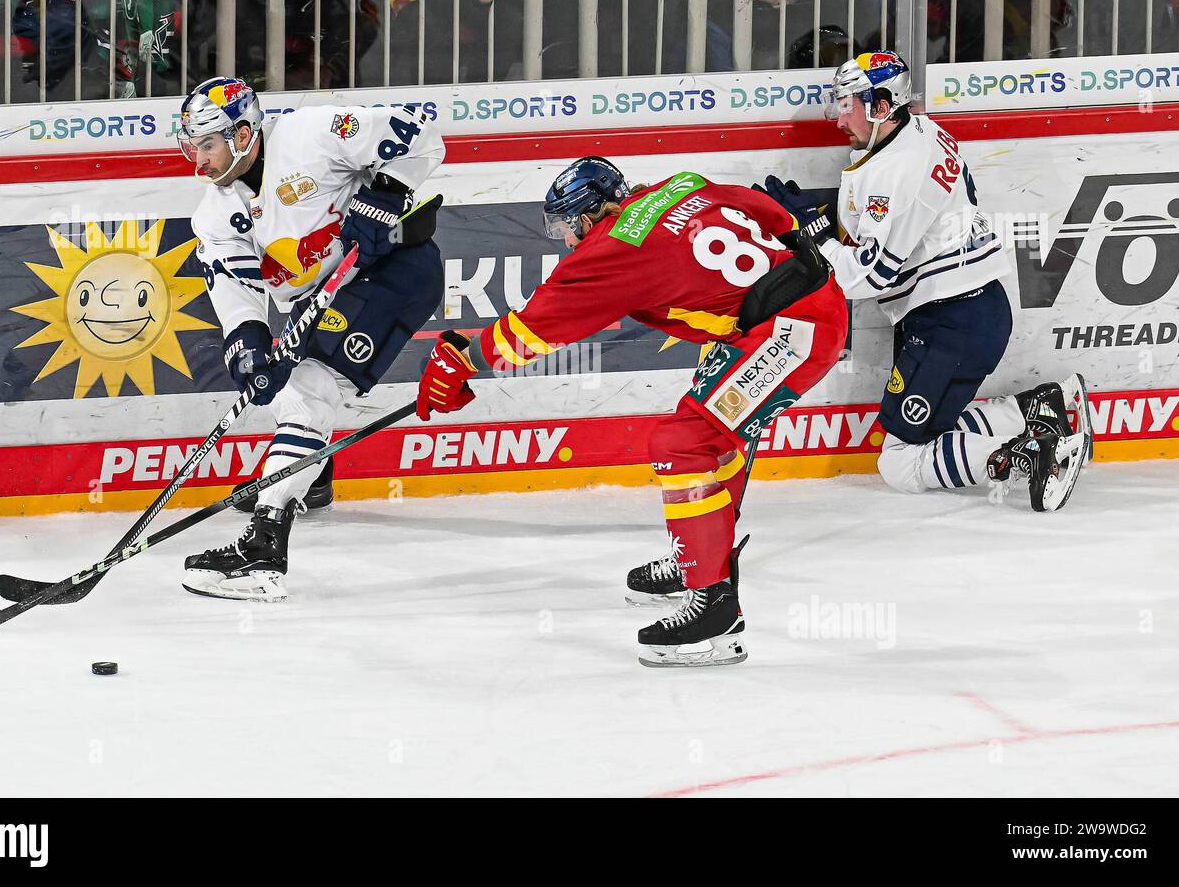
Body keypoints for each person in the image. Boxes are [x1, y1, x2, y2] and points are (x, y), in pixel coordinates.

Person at [414, 157, 848, 667]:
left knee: (685, 443)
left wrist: (461, 360)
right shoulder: (677, 186)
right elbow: (770, 212)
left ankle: (716, 613)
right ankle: (698, 559)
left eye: (567, 226)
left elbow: (528, 334)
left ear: (590, 214)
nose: (567, 240)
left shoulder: (611, 250)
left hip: (794, 332)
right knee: (710, 435)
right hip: (794, 310)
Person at [761, 51, 1092, 513]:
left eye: (847, 103)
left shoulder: (897, 172)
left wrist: (807, 239)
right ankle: (1038, 407)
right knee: (930, 429)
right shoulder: (920, 131)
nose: (837, 116)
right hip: (970, 310)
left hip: (948, 323)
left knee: (900, 462)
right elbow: (890, 222)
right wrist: (821, 217)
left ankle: (1033, 454)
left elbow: (870, 275)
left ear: (880, 106)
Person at [178, 76, 445, 601]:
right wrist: (249, 344)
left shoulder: (312, 133)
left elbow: (421, 137)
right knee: (283, 386)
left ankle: (263, 548)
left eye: (207, 145)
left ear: (243, 133)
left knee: (307, 392)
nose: (199, 162)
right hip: (321, 295)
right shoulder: (215, 212)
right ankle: (310, 477)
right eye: (192, 147)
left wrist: (385, 195)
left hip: (394, 271)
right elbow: (235, 286)